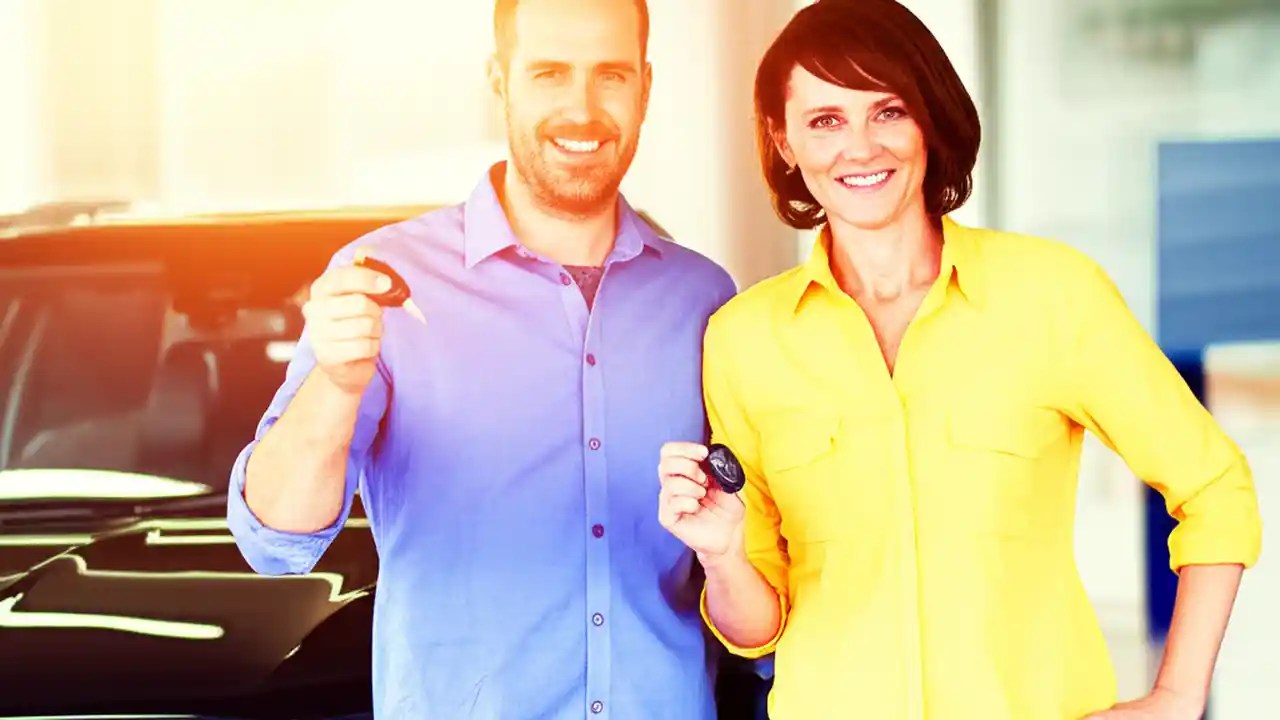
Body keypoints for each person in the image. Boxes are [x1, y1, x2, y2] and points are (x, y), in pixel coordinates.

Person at [656, 1, 1263, 718]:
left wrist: (1178, 695)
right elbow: (759, 628)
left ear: (928, 119)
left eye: (887, 111)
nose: (860, 147)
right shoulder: (743, 339)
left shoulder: (1051, 294)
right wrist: (725, 556)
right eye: (825, 120)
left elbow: (1215, 486)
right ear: (782, 141)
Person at [227, 0, 737, 718]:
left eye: (611, 76)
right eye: (550, 73)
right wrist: (338, 383)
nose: (582, 109)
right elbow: (275, 540)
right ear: (499, 81)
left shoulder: (704, 296)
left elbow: (746, 554)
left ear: (646, 87)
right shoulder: (386, 280)